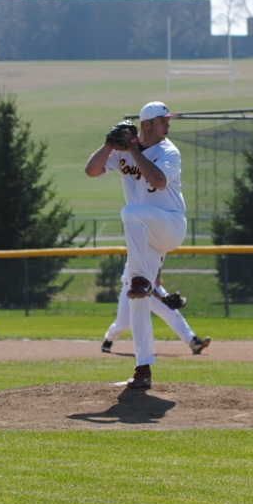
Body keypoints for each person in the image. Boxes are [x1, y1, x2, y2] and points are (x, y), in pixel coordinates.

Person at [84, 101, 187, 389]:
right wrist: (107, 145)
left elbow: (158, 179)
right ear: (146, 125)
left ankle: (141, 278)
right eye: (162, 120)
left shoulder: (169, 151)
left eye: (168, 120)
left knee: (130, 212)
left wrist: (131, 150)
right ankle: (143, 367)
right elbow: (91, 171)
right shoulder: (123, 152)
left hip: (170, 225)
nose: (168, 125)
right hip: (145, 236)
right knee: (137, 297)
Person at [101, 268, 210, 356]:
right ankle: (108, 338)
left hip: (151, 286)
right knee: (123, 324)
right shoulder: (138, 250)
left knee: (172, 313)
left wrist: (158, 276)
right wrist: (164, 298)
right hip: (132, 287)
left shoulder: (158, 246)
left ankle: (193, 341)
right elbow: (143, 286)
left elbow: (158, 261)